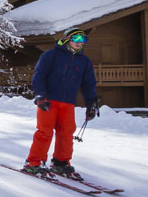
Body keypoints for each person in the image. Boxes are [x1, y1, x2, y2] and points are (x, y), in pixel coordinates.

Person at [23, 27, 99, 176]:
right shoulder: (51, 55)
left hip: (68, 102)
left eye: (82, 40)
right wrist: (40, 96)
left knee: (66, 132)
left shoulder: (84, 61)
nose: (80, 43)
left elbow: (88, 84)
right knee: (45, 131)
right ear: (67, 39)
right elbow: (39, 76)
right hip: (48, 100)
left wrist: (91, 104)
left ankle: (61, 162)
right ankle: (34, 163)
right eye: (76, 39)